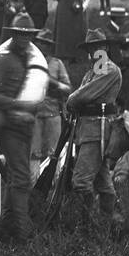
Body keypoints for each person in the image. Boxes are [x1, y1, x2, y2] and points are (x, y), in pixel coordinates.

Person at [0, 12, 47, 247]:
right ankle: (22, 236)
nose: (24, 39)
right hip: (9, 126)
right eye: (20, 34)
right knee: (21, 179)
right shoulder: (3, 59)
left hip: (24, 126)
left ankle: (3, 229)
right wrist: (17, 106)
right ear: (13, 35)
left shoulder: (29, 59)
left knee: (15, 178)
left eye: (28, 35)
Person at [65, 29, 123, 233]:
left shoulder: (108, 70)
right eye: (91, 49)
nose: (94, 52)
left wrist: (71, 101)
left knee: (81, 181)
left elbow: (79, 97)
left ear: (106, 48)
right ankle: (112, 224)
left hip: (97, 130)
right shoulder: (92, 72)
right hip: (87, 129)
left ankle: (86, 228)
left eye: (98, 47)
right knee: (102, 180)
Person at [31, 27, 72, 164]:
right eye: (40, 42)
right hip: (33, 115)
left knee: (55, 154)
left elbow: (68, 89)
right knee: (34, 154)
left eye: (46, 43)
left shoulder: (57, 64)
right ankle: (34, 184)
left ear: (50, 47)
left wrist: (52, 83)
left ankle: (54, 184)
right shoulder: (29, 63)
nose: (42, 46)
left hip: (52, 114)